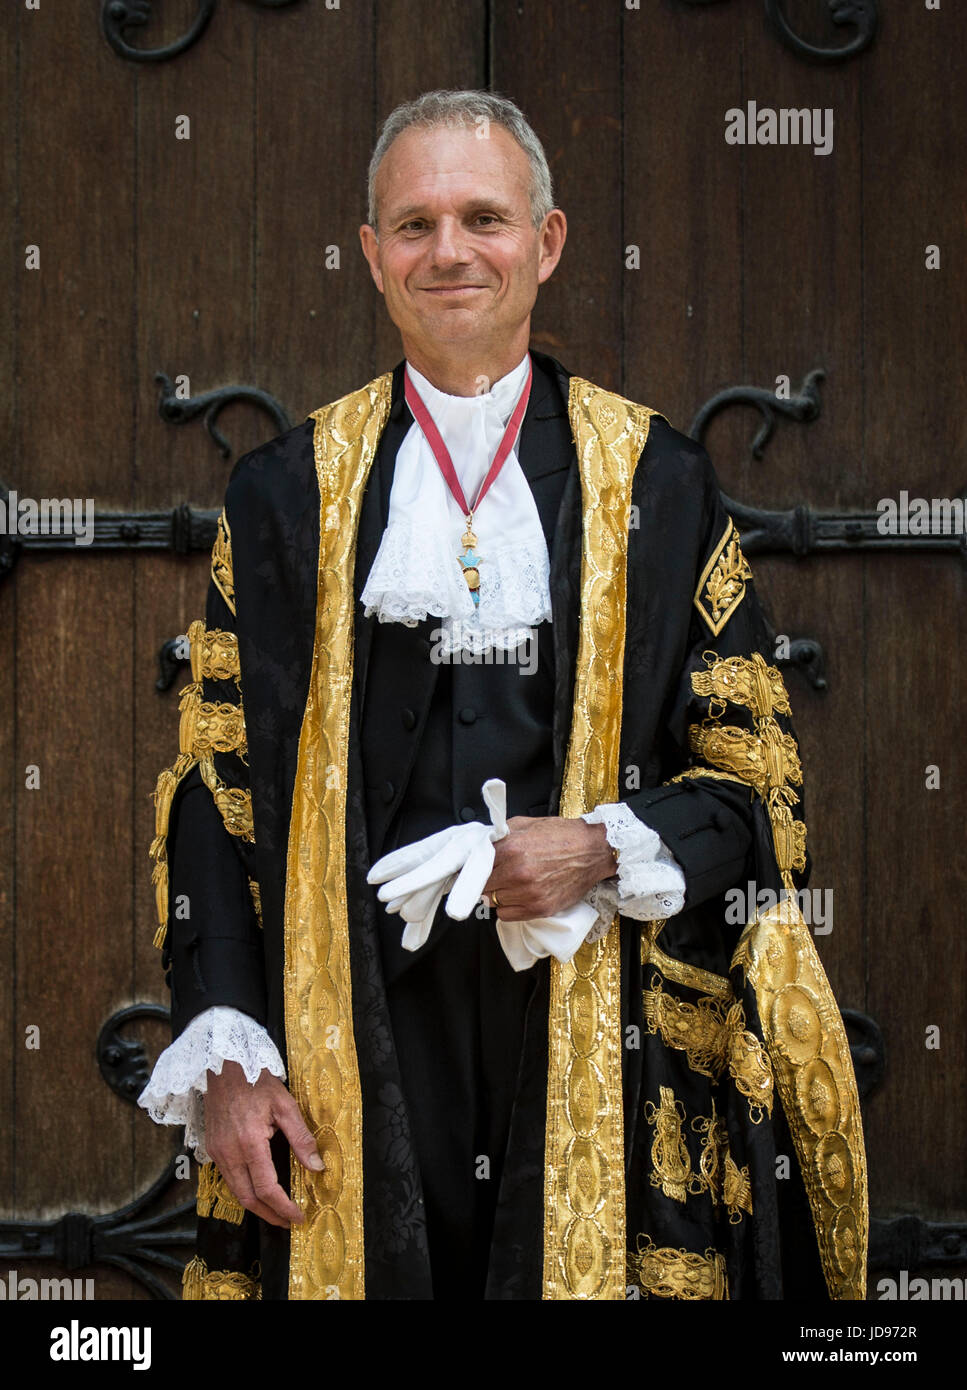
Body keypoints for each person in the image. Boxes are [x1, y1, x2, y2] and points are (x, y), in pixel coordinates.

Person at [139, 89, 868, 1302]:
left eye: (483, 217)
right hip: (348, 1040)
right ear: (371, 256)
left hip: (599, 1040)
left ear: (548, 242)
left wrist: (598, 847)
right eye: (413, 224)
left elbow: (760, 794)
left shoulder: (660, 482)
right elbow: (210, 790)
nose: (450, 251)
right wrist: (221, 1050)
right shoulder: (278, 494)